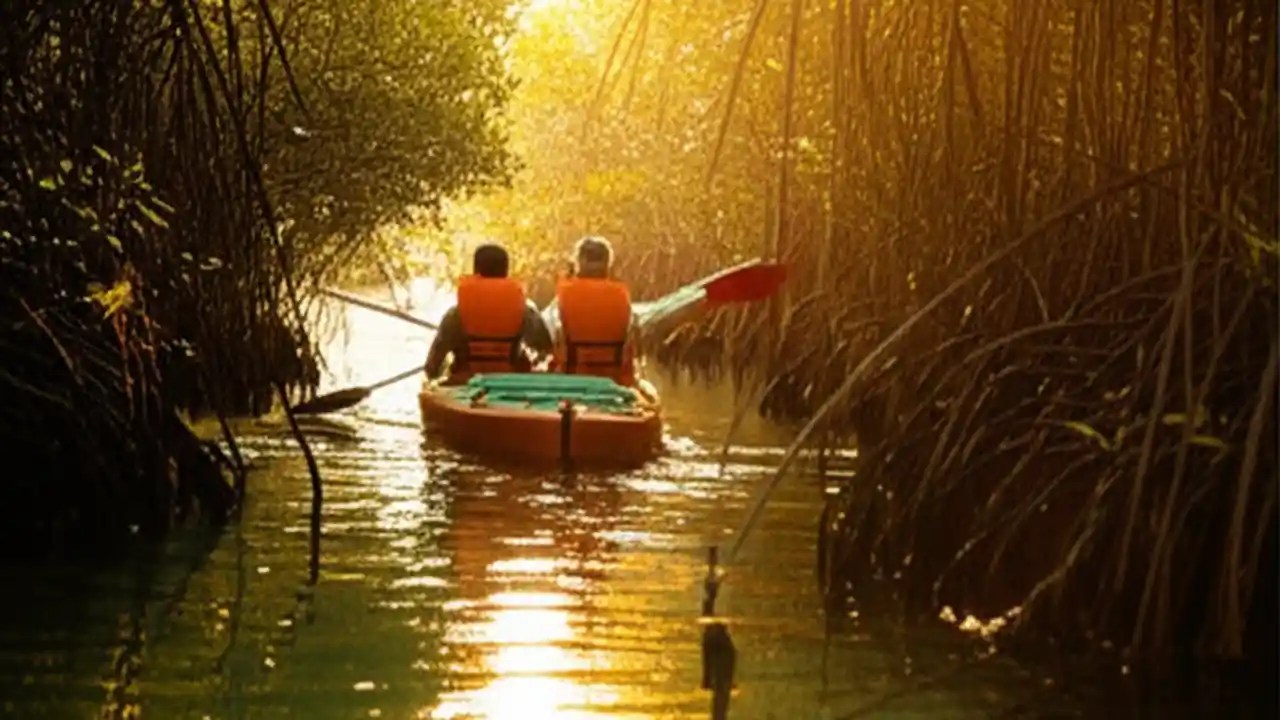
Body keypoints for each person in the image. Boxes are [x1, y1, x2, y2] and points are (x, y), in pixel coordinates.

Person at [424, 243, 552, 383]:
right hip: (510, 383)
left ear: (475, 271)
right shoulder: (526, 311)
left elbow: (433, 364)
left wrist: (434, 377)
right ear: (505, 272)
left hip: (466, 383)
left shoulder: (455, 314)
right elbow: (545, 349)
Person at [543, 235, 641, 387]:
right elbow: (633, 340)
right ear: (608, 263)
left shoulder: (563, 296)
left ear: (580, 262)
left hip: (571, 378)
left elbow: (546, 339)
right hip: (615, 381)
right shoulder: (622, 296)